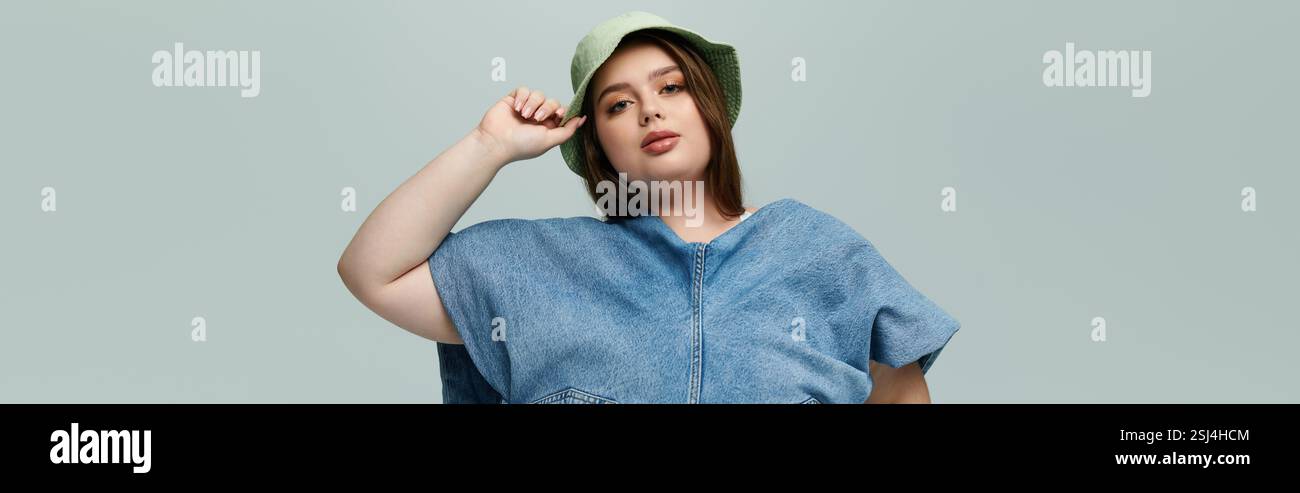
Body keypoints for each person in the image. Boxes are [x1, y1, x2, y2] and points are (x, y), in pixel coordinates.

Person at [337, 11, 959, 404]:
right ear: (596, 143)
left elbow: (901, 390)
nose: (650, 110)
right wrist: (489, 146)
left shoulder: (818, 251)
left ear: (708, 105)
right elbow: (372, 270)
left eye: (670, 87)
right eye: (617, 104)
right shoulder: (537, 265)